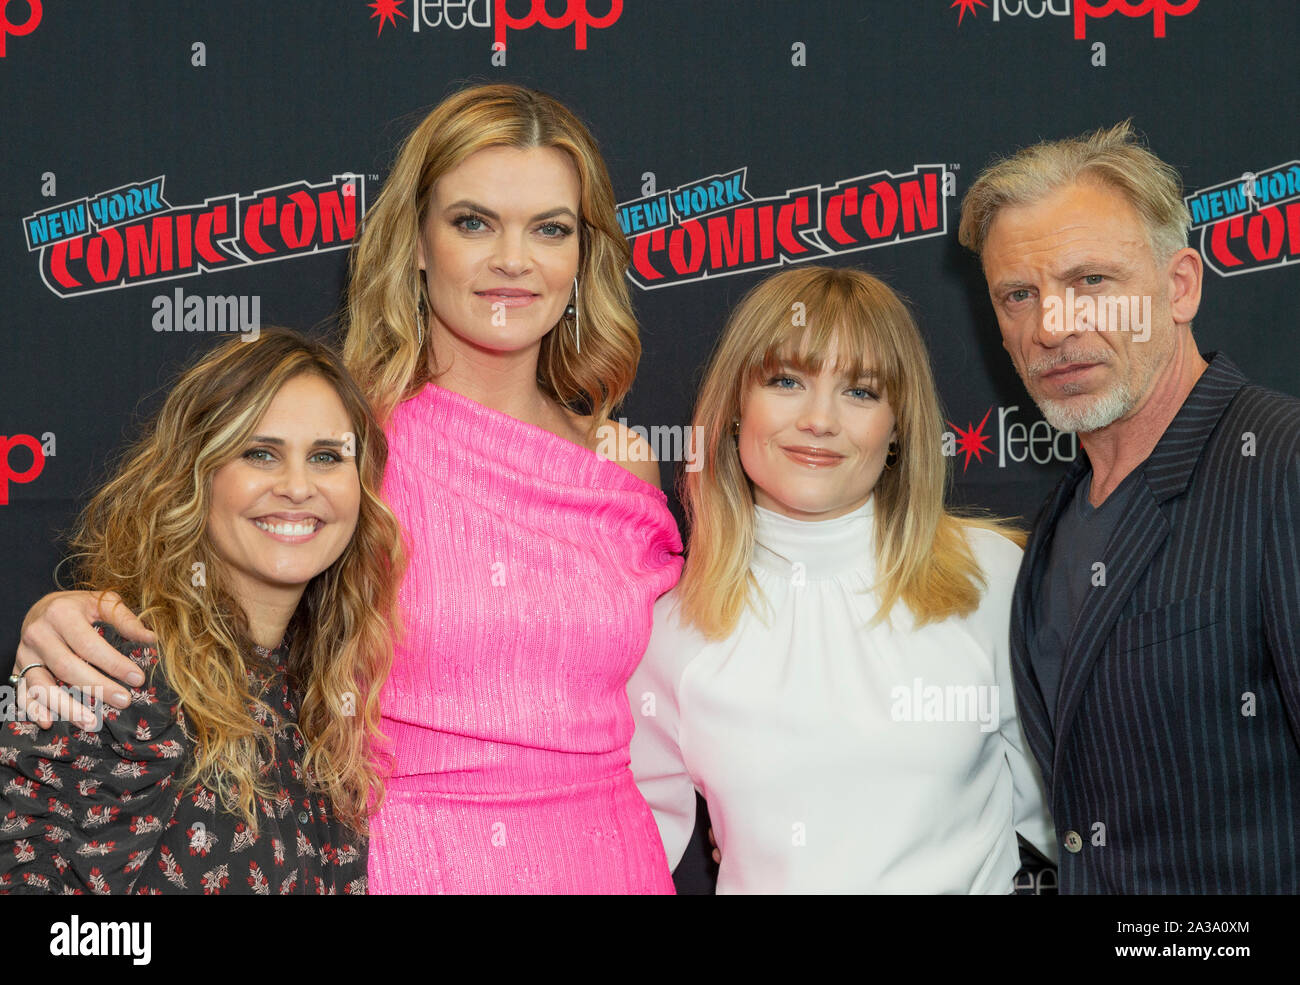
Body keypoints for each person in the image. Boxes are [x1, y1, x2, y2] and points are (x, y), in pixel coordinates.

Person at [14, 84, 683, 894]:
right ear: (417, 242)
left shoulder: (623, 459)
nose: (514, 259)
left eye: (550, 228)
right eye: (473, 222)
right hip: (417, 860)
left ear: (584, 255)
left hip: (612, 858)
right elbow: (202, 612)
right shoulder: (345, 441)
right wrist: (67, 618)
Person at [628, 265, 1056, 893]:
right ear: (735, 405)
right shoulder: (670, 631)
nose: (819, 420)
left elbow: (1086, 827)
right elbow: (622, 852)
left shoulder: (988, 581)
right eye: (786, 380)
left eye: (860, 391)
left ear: (898, 425)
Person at [957, 121, 1300, 893]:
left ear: (1180, 286)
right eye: (1020, 294)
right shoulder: (1054, 528)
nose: (1054, 326)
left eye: (1092, 283)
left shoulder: (1281, 465)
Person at [0, 330, 404, 893]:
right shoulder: (118, 664)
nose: (297, 486)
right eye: (260, 453)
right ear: (199, 475)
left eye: (327, 456)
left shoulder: (315, 694)